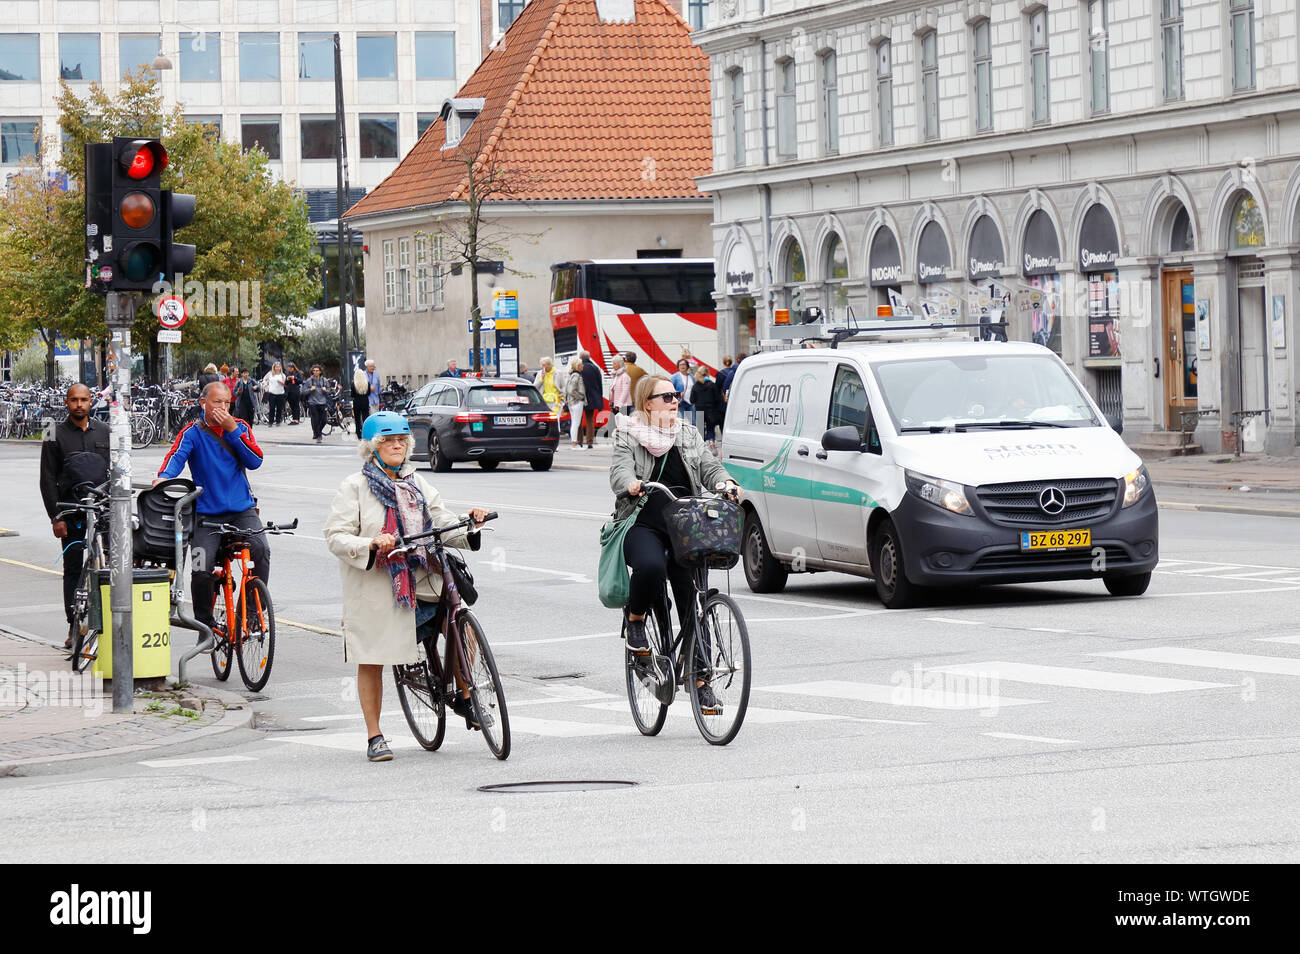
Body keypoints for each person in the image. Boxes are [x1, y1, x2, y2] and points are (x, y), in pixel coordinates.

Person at [324, 412, 491, 762]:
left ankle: (463, 695)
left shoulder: (417, 482)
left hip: (421, 578)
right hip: (379, 587)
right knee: (370, 659)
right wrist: (371, 543)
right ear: (373, 448)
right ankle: (375, 736)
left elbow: (441, 520)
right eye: (388, 440)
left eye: (402, 440)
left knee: (461, 624)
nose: (397, 445)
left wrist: (469, 524)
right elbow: (336, 536)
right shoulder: (355, 486)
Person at [610, 375, 740, 710]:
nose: (674, 401)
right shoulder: (628, 433)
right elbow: (619, 473)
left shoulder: (688, 433)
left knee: (694, 603)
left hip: (686, 527)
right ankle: (637, 620)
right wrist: (631, 483)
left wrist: (724, 482)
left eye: (676, 395)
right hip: (643, 523)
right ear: (647, 403)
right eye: (666, 396)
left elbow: (709, 466)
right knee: (651, 568)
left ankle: (701, 680)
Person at [154, 381, 268, 638]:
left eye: (227, 403)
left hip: (242, 510)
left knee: (262, 549)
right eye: (217, 402)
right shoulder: (192, 432)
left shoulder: (241, 427)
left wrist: (231, 430)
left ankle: (251, 612)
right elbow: (175, 458)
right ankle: (204, 624)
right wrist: (163, 478)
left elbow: (255, 460)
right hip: (206, 515)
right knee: (200, 566)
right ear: (203, 402)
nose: (223, 407)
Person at [39, 384, 111, 649]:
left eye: (84, 399)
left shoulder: (105, 430)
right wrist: (55, 516)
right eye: (74, 400)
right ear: (66, 402)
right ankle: (74, 625)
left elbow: (115, 472)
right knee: (72, 569)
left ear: (91, 401)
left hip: (103, 512)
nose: (79, 404)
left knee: (106, 568)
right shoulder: (52, 431)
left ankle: (106, 625)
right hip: (70, 512)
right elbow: (46, 477)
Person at [691, 366, 724, 451]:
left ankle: (701, 447)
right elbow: (717, 398)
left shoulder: (695, 386)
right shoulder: (712, 385)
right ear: (708, 373)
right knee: (710, 427)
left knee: (700, 429)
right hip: (711, 410)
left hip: (699, 410)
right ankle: (711, 442)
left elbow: (692, 400)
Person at [579, 351, 604, 448]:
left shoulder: (578, 367)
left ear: (580, 358)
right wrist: (600, 398)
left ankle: (579, 442)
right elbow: (599, 384)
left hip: (580, 397)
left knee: (578, 420)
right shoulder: (595, 368)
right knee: (590, 420)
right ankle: (590, 442)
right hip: (592, 397)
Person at [563, 356, 586, 449]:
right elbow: (571, 390)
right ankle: (574, 444)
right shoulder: (576, 376)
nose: (582, 366)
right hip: (576, 402)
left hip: (571, 402)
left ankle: (574, 443)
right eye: (581, 364)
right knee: (576, 423)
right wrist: (580, 397)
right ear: (578, 366)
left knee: (574, 422)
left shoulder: (572, 375)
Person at [303, 364, 329, 443]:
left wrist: (326, 390)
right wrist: (310, 390)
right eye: (314, 371)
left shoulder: (324, 380)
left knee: (324, 420)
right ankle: (318, 435)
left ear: (320, 371)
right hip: (313, 402)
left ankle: (318, 431)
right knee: (315, 419)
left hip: (322, 402)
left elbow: (329, 391)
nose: (315, 372)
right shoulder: (309, 380)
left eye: (317, 370)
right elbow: (303, 391)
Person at [261, 361, 286, 426]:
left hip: (280, 393)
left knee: (279, 408)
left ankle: (278, 421)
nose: (277, 368)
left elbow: (285, 384)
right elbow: (264, 380)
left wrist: (282, 383)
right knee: (271, 408)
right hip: (272, 393)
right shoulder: (270, 374)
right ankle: (270, 422)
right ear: (274, 367)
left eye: (278, 367)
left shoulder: (283, 375)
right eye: (276, 367)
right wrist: (266, 387)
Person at [672, 358, 696, 426]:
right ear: (678, 366)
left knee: (693, 422)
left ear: (687, 366)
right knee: (681, 422)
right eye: (680, 365)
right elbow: (670, 389)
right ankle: (682, 436)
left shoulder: (691, 376)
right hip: (680, 402)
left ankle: (693, 436)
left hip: (691, 402)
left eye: (684, 364)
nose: (682, 366)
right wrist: (678, 394)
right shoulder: (675, 377)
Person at [351, 362, 370, 437]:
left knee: (357, 418)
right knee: (365, 417)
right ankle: (366, 432)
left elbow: (352, 395)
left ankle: (358, 433)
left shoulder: (354, 384)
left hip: (357, 402)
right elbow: (368, 393)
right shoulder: (367, 383)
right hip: (365, 401)